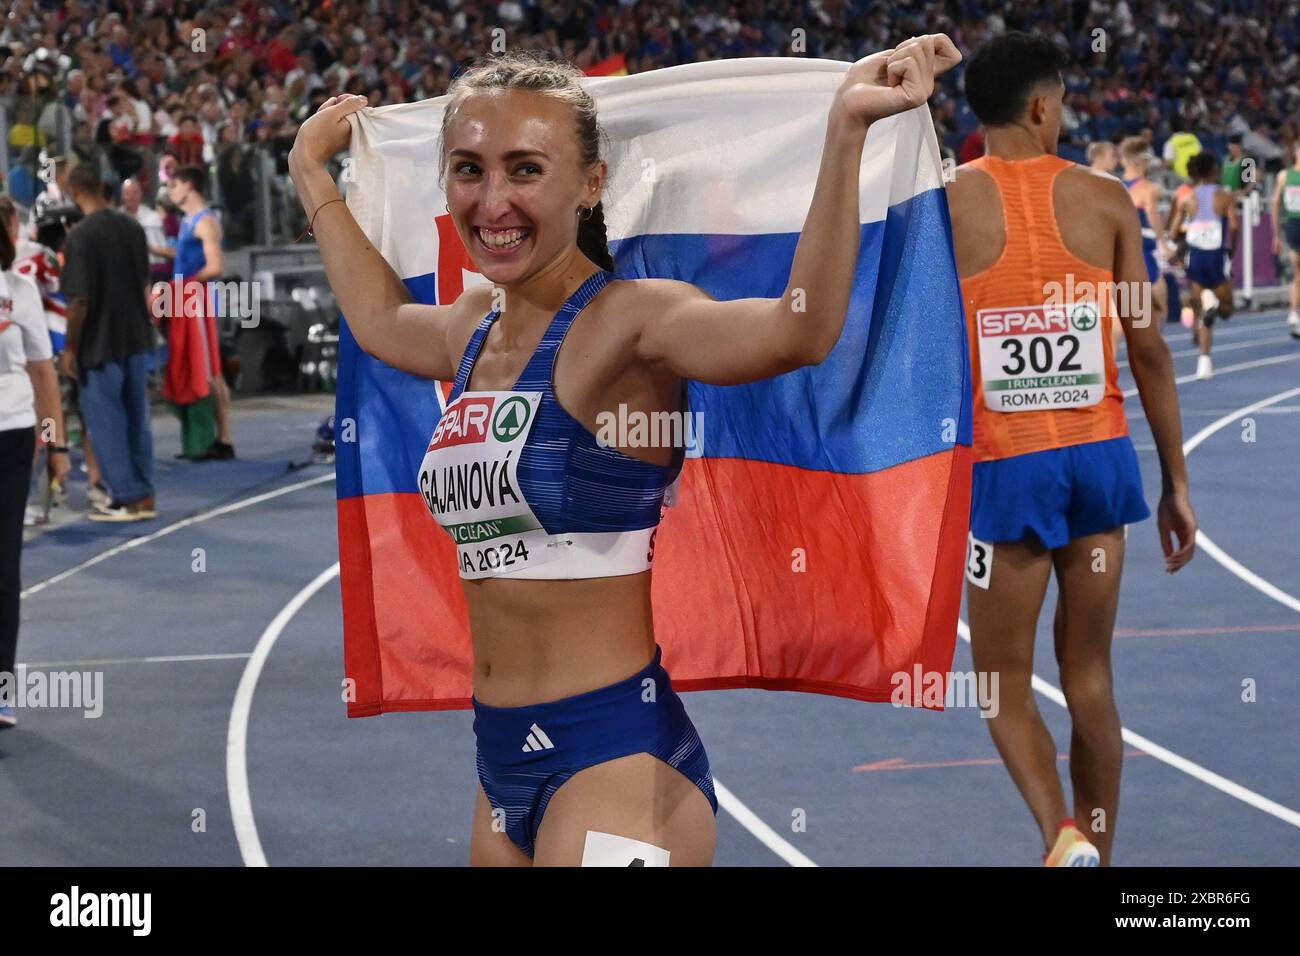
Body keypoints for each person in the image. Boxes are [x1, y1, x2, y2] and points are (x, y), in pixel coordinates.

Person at [289, 41, 960, 866]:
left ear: (592, 182)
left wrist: (845, 132)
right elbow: (380, 321)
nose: (492, 199)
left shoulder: (634, 322)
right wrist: (312, 178)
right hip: (499, 765)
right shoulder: (471, 331)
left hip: (614, 758)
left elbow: (801, 327)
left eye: (525, 169)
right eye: (468, 169)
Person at [945, 32, 1196, 867]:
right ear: (1043, 106)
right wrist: (1176, 485)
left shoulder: (944, 202)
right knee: (1089, 675)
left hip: (1005, 469)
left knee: (1001, 683)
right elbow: (1151, 347)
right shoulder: (1107, 199)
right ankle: (1098, 852)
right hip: (1100, 461)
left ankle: (1060, 836)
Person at [60, 162, 158, 521]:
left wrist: (71, 348)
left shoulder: (80, 236)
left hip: (99, 343)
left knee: (106, 423)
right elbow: (145, 284)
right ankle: (144, 495)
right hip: (134, 336)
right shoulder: (132, 227)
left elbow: (79, 301)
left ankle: (125, 497)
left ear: (74, 191)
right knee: (137, 418)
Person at [1, 211, 68, 728]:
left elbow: (43, 372)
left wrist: (57, 445)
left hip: (11, 432)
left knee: (4, 565)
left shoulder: (18, 290)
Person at [156, 165, 235, 461]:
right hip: (187, 299)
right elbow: (186, 256)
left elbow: (215, 266)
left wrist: (183, 285)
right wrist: (153, 249)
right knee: (204, 367)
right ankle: (220, 437)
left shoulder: (205, 221)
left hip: (197, 301)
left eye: (174, 184)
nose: (171, 190)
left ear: (189, 185)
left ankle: (224, 438)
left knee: (209, 369)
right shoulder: (190, 221)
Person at [1168, 151, 1238, 379]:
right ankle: (1214, 303)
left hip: (1196, 258)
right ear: (1214, 171)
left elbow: (1173, 231)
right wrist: (1232, 249)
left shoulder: (1187, 199)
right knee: (1226, 310)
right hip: (1216, 256)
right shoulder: (1225, 197)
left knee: (1202, 310)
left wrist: (1188, 233)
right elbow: (1235, 226)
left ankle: (1204, 362)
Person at [1118, 137, 1171, 330]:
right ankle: (1153, 352)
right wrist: (1163, 242)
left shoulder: (1113, 186)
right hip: (1144, 253)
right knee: (1159, 308)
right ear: (1144, 161)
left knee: (1129, 314)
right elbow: (1152, 214)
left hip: (1120, 254)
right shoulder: (1148, 189)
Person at [1270, 141, 1300, 338]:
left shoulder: (1284, 176)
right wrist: (1275, 234)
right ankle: (1293, 314)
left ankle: (1293, 314)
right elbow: (1275, 204)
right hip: (1293, 225)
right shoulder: (1284, 176)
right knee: (1298, 272)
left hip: (1292, 226)